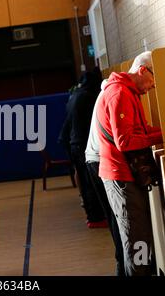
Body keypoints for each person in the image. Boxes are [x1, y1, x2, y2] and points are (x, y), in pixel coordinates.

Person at [95, 51, 163, 276]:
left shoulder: (129, 92)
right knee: (137, 239)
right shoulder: (120, 93)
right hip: (120, 176)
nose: (154, 86)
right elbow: (124, 141)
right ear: (143, 70)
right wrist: (162, 137)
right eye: (154, 79)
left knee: (140, 235)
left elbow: (139, 131)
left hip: (124, 174)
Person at [85, 78, 125, 276]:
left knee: (114, 215)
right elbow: (123, 139)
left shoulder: (106, 93)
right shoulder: (115, 95)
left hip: (93, 157)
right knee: (116, 215)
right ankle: (122, 264)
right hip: (99, 159)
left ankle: (122, 263)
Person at [58, 69, 107, 228]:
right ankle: (96, 217)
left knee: (85, 182)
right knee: (91, 182)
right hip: (83, 143)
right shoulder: (88, 96)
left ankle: (92, 216)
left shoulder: (75, 95)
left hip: (74, 143)